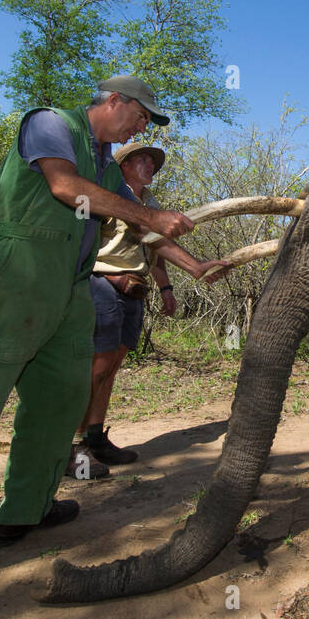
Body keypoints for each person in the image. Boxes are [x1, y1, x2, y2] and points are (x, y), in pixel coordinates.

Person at [0, 75, 193, 601]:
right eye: (140, 115)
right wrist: (150, 213)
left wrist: (196, 265)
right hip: (15, 275)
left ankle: (27, 508)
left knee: (61, 399)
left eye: (148, 122)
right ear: (114, 101)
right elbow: (65, 188)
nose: (143, 126)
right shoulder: (50, 123)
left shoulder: (107, 164)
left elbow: (139, 227)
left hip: (68, 290)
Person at [70, 142, 231, 475]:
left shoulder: (150, 204)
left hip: (134, 291)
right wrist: (196, 267)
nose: (149, 165)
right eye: (141, 159)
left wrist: (166, 288)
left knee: (110, 369)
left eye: (152, 162)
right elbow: (147, 233)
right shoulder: (111, 196)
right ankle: (70, 448)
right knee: (96, 369)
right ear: (123, 166)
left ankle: (95, 438)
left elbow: (152, 250)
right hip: (103, 286)